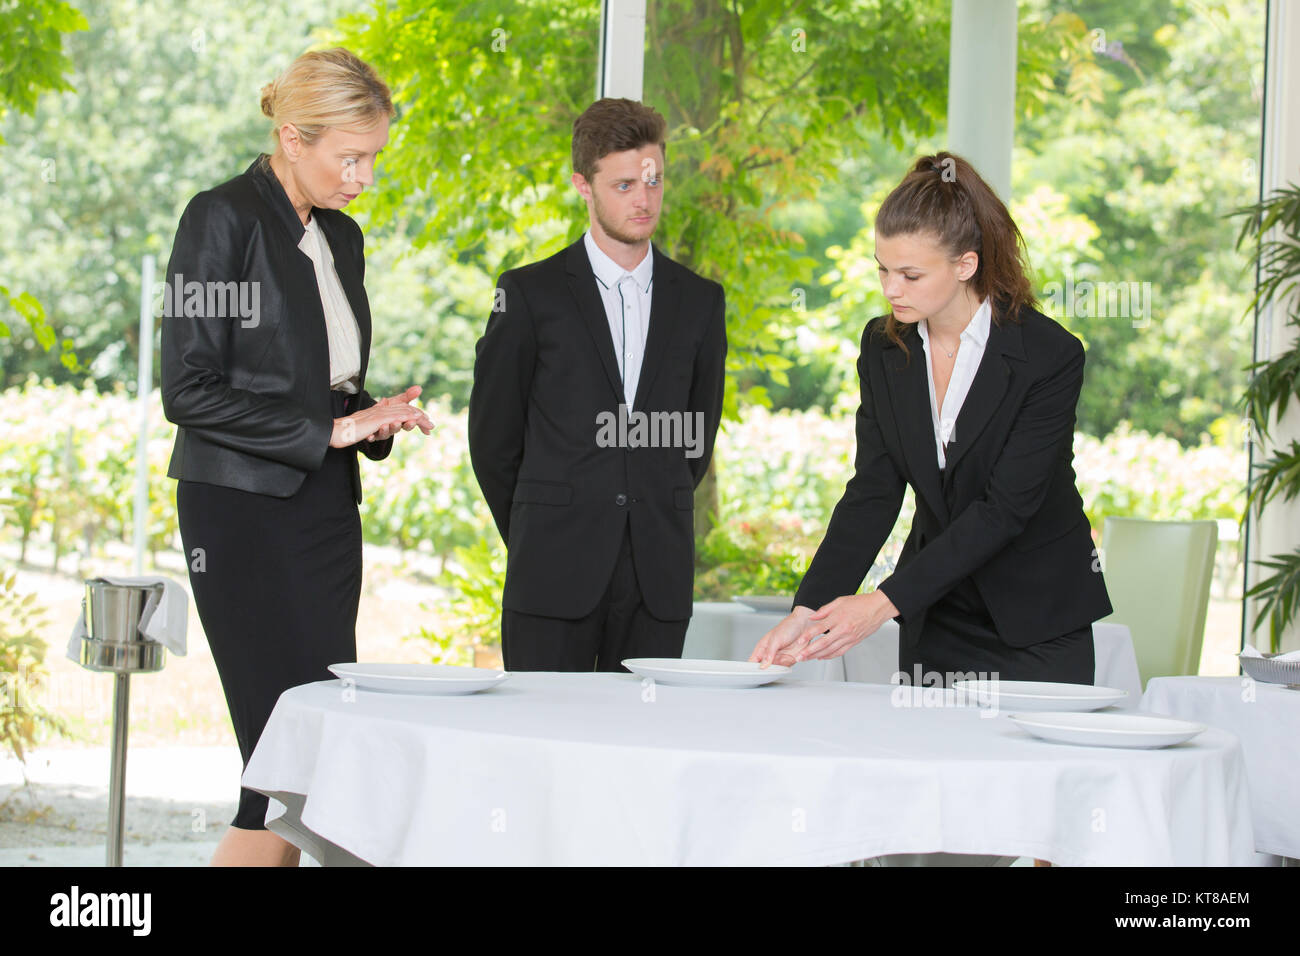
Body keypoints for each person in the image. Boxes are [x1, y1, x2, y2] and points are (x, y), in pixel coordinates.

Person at [161, 48, 432, 866]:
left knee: (308, 758)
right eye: (350, 157)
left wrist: (363, 416)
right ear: (290, 135)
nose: (364, 178)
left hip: (323, 513)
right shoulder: (220, 219)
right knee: (278, 768)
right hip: (240, 515)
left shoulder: (341, 238)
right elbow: (188, 389)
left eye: (374, 158)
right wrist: (324, 432)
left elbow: (315, 381)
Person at [751, 152, 1111, 687]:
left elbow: (1004, 510)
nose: (890, 289)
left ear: (966, 265)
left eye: (910, 274)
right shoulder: (883, 347)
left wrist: (882, 602)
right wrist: (810, 608)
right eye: (882, 269)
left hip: (1037, 621)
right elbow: (873, 490)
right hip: (936, 614)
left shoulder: (1049, 355)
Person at [469, 97, 727, 672]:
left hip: (657, 576)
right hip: (551, 569)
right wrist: (542, 528)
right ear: (583, 186)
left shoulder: (701, 302)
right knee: (542, 748)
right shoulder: (529, 295)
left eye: (654, 181)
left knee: (641, 752)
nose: (644, 199)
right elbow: (493, 440)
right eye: (625, 185)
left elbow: (696, 438)